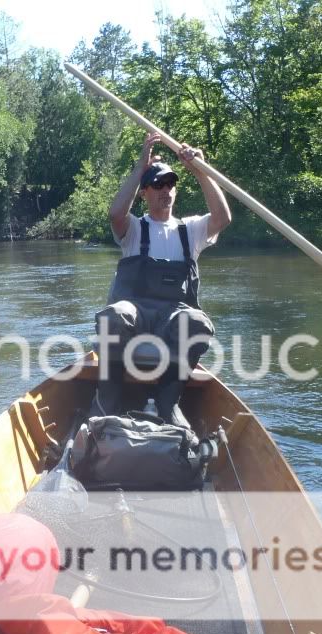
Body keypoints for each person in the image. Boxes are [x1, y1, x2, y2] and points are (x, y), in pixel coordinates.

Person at [92, 132, 231, 421]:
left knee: (197, 323)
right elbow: (115, 213)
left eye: (170, 184)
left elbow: (223, 218)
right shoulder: (133, 229)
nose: (165, 189)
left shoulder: (190, 230)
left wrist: (200, 171)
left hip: (174, 316)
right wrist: (140, 167)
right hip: (136, 311)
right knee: (112, 317)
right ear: (145, 192)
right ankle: (108, 402)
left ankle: (167, 402)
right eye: (157, 185)